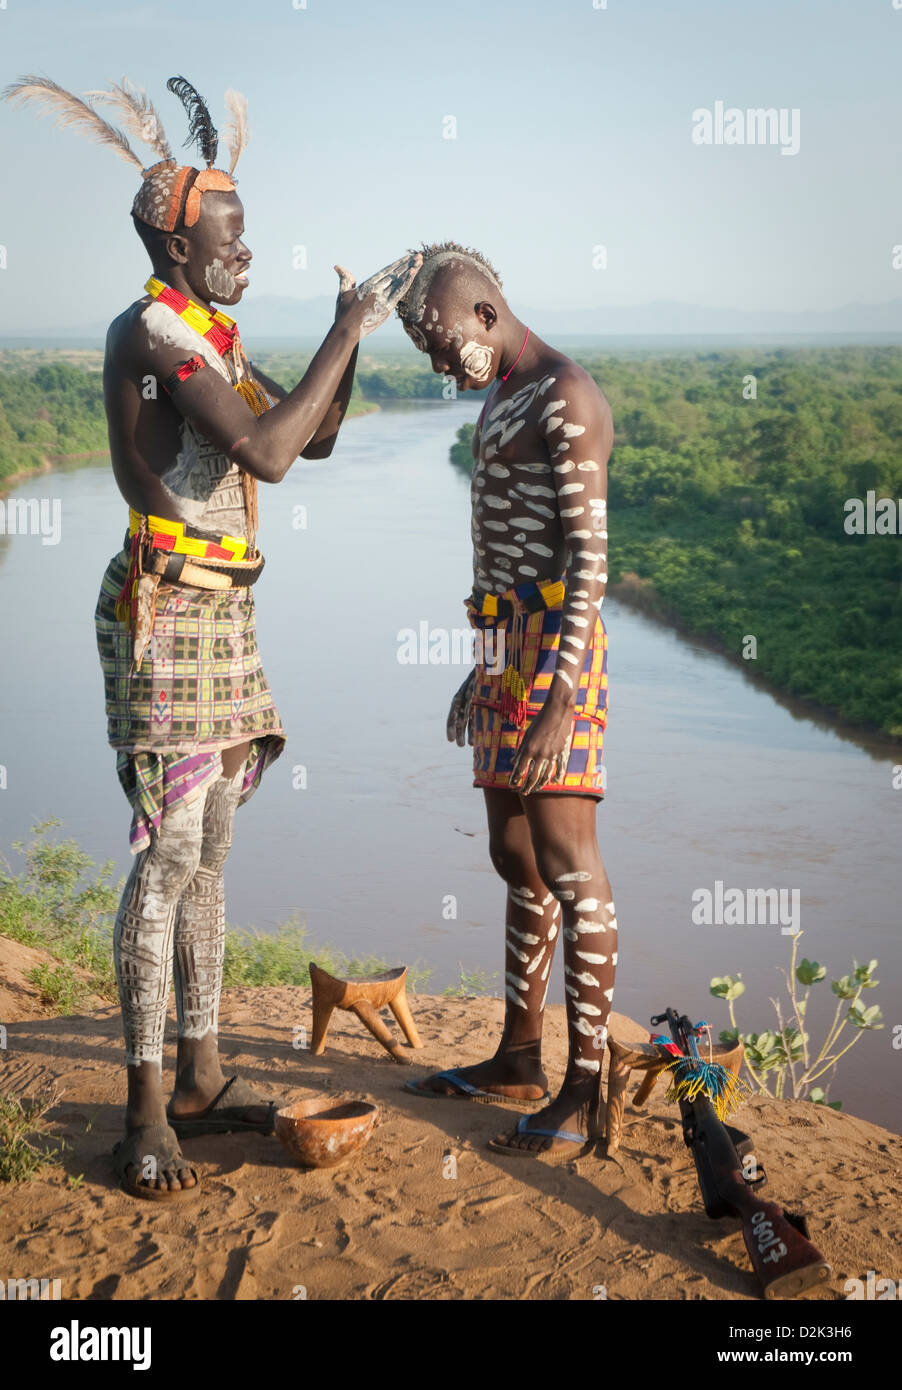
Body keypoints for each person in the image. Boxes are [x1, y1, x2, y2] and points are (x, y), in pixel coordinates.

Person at [4, 74, 420, 1198]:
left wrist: (352, 344)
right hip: (166, 612)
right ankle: (143, 1116)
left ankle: (202, 1076)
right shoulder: (152, 335)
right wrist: (341, 329)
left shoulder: (208, 338)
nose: (247, 257)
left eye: (248, 239)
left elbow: (315, 435)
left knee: (216, 858)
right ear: (176, 246)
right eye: (231, 242)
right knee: (170, 858)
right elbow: (269, 455)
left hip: (224, 610)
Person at [398, 243, 617, 1159]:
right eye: (432, 356)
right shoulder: (502, 393)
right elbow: (503, 563)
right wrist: (480, 667)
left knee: (567, 855)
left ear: (487, 313)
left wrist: (562, 697)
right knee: (511, 850)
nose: (444, 367)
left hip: (557, 656)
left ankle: (591, 1086)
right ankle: (520, 1056)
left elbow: (587, 563)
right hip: (503, 650)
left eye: (448, 346)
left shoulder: (566, 395)